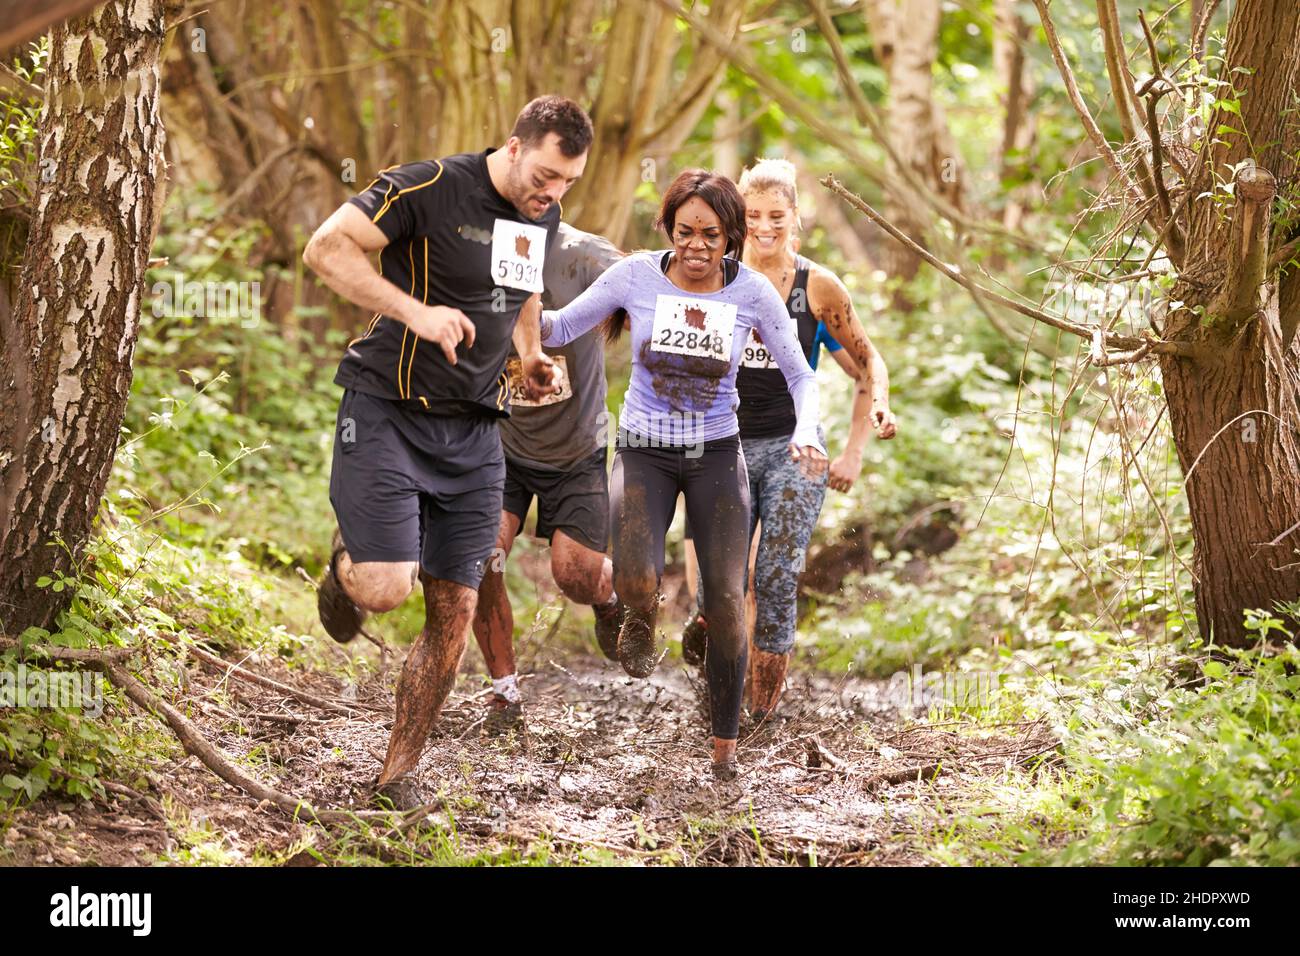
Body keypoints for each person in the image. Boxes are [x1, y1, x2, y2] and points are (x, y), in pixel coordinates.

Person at [302, 96, 592, 810]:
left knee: (455, 607)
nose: (552, 195)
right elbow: (324, 248)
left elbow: (524, 290)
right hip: (387, 412)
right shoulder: (427, 186)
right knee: (384, 589)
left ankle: (397, 776)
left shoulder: (541, 216)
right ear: (514, 146)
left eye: (567, 185)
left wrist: (531, 355)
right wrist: (415, 311)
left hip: (475, 432)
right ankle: (348, 573)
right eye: (546, 175)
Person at [538, 169, 827, 780]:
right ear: (669, 229)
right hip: (644, 451)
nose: (697, 246)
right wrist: (504, 306)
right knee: (640, 578)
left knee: (726, 599)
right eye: (686, 231)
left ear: (732, 238)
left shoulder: (751, 293)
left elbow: (802, 374)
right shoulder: (635, 275)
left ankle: (724, 751)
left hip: (718, 456)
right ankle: (639, 615)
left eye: (713, 236)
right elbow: (561, 327)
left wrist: (806, 429)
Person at [681, 158, 897, 724]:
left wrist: (860, 438)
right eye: (752, 216)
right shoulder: (716, 276)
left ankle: (758, 719)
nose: (764, 227)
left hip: (794, 450)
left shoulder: (817, 286)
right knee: (717, 587)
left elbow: (867, 360)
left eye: (776, 215)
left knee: (774, 577)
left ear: (795, 216)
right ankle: (711, 667)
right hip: (723, 447)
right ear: (738, 219)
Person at [471, 222, 625, 733]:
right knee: (480, 557)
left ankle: (608, 600)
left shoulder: (583, 255)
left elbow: (648, 285)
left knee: (575, 574)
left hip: (577, 449)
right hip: (502, 444)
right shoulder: (475, 244)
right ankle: (504, 694)